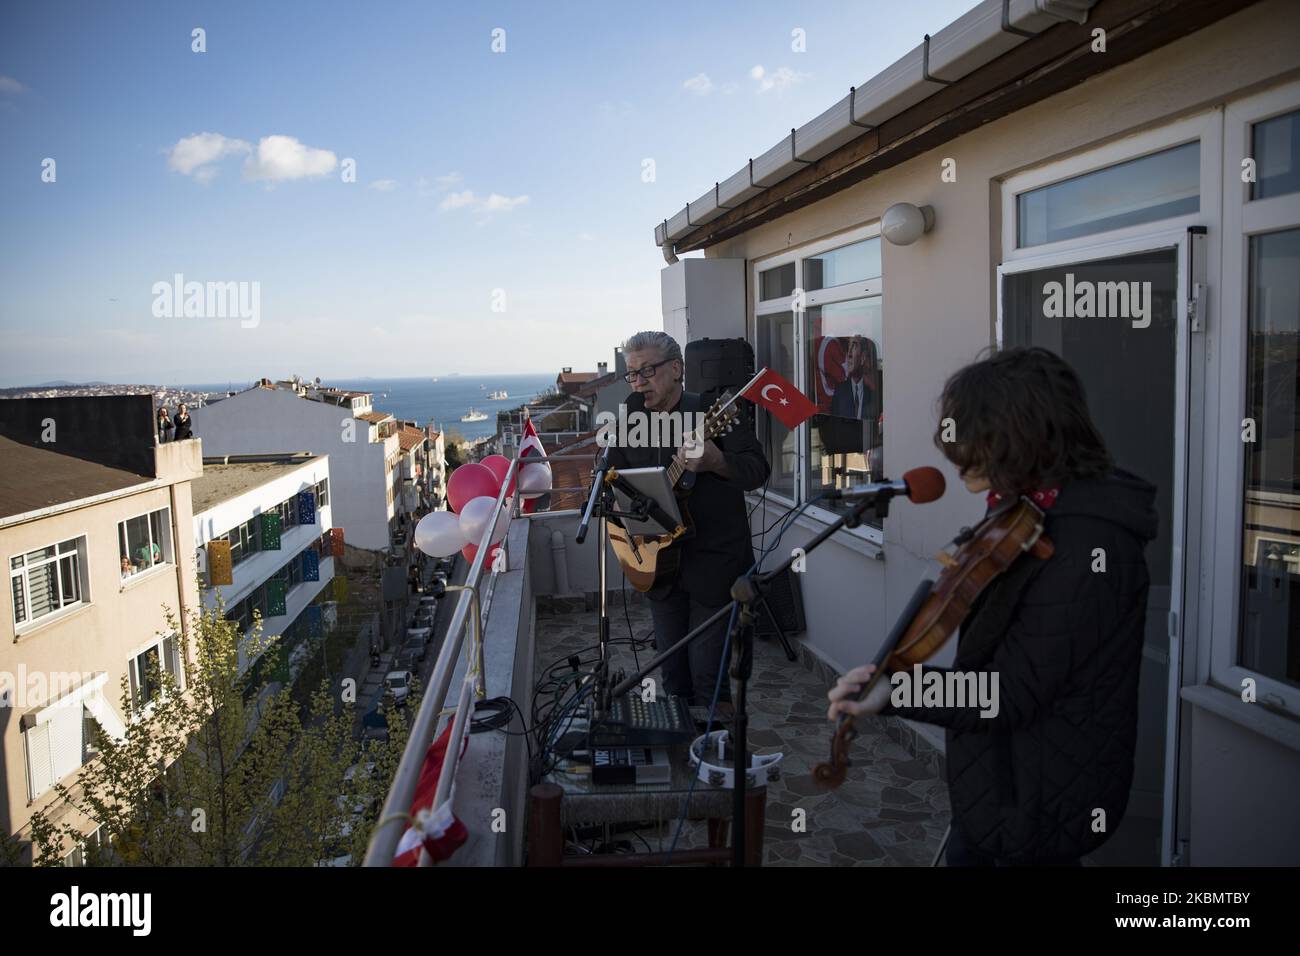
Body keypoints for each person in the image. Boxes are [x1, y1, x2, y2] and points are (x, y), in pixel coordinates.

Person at [827, 346, 1157, 866]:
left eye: (972, 438)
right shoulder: (1030, 515)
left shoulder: (1089, 548)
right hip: (1003, 785)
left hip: (1038, 799)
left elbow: (1011, 690)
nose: (955, 456)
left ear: (1019, 436)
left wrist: (899, 690)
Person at [606, 331, 770, 707]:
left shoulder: (713, 412)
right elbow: (607, 483)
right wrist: (625, 525)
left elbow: (758, 469)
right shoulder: (629, 421)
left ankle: (714, 753)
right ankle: (683, 752)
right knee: (673, 674)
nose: (638, 382)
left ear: (677, 368)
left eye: (647, 371)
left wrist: (717, 462)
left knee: (708, 676)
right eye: (631, 374)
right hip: (660, 569)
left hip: (716, 565)